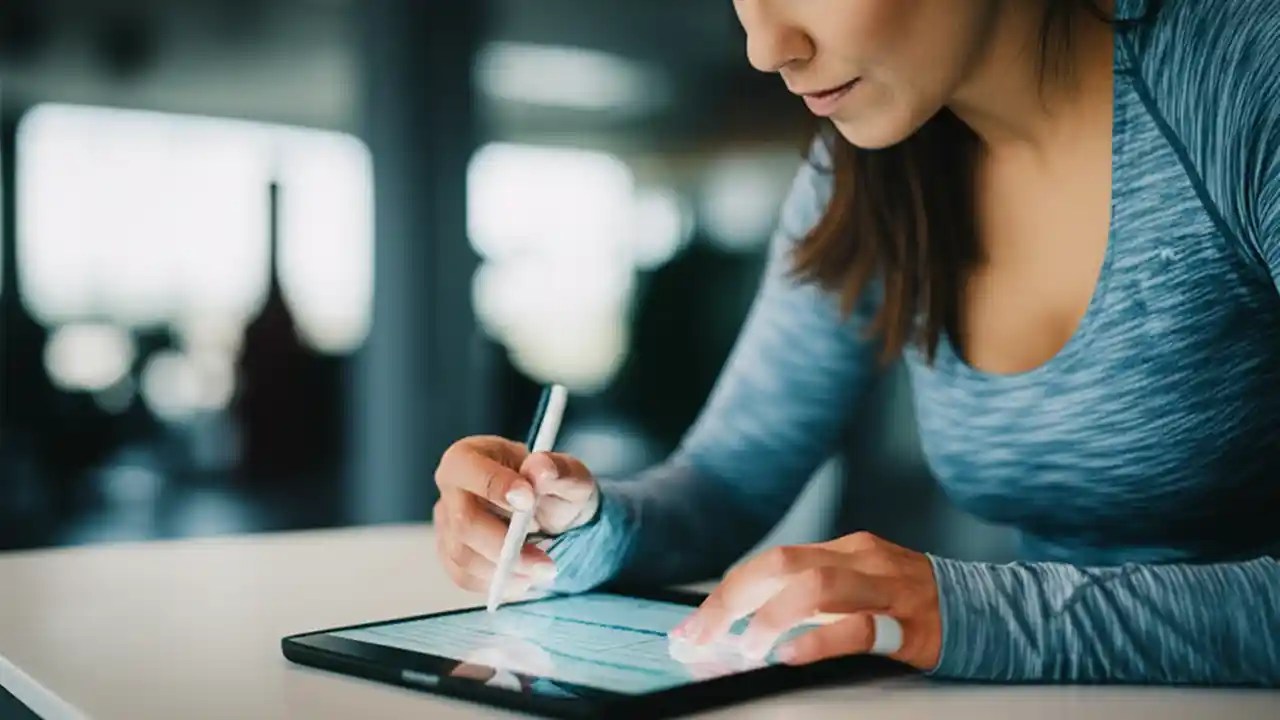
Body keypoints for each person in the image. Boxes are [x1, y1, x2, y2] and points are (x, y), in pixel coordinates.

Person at [433, 0, 1280, 685]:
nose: (766, 44)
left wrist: (979, 615)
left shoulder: (1248, 76)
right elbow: (724, 485)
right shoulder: (863, 173)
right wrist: (571, 525)